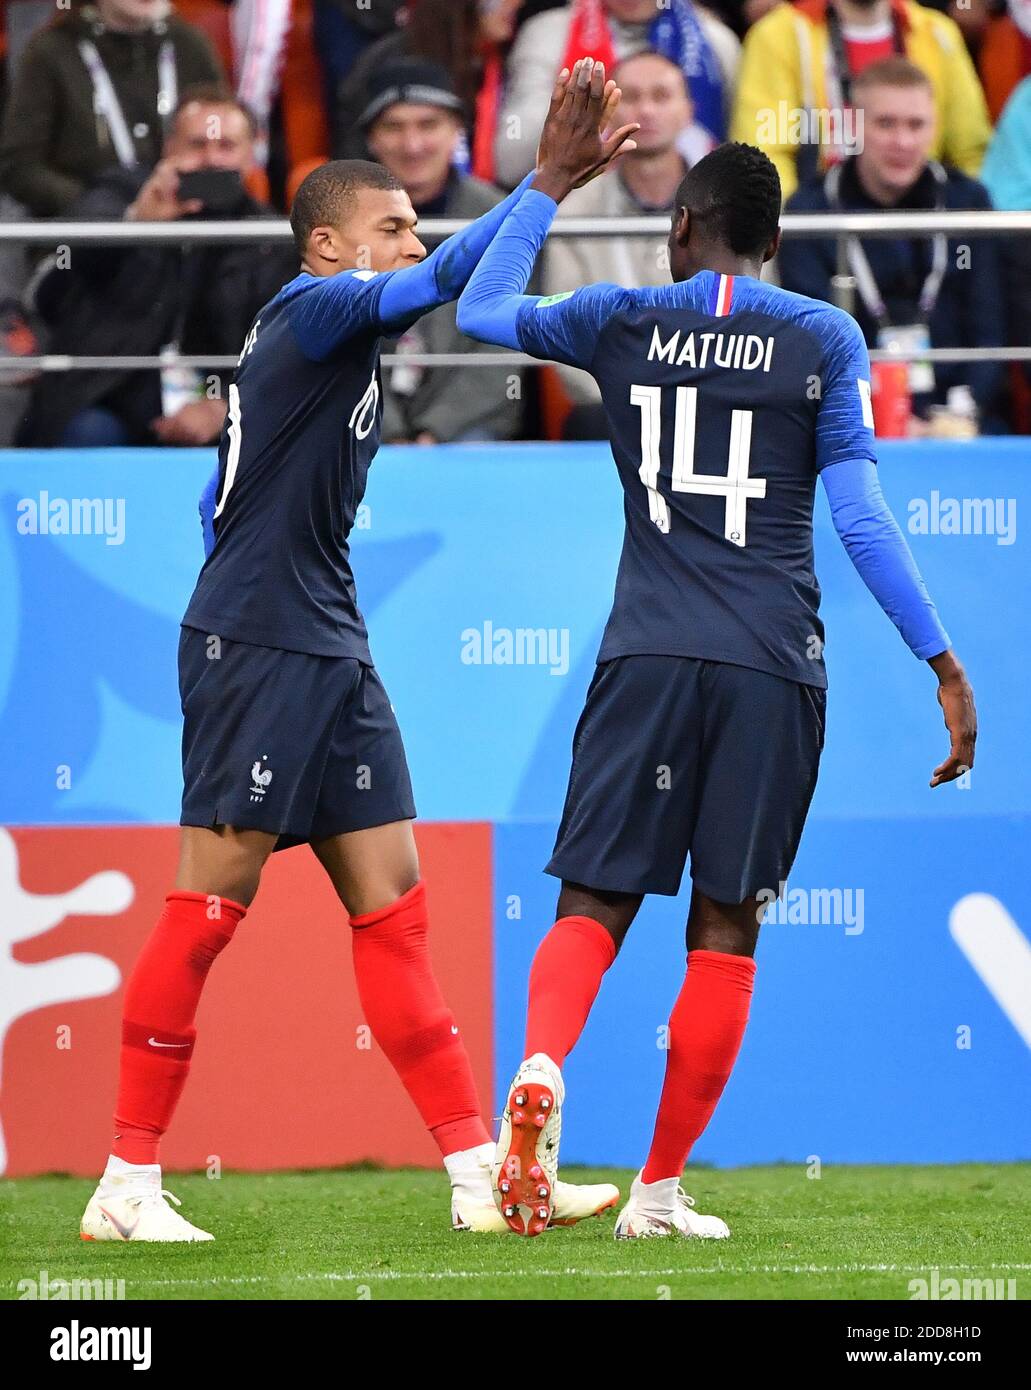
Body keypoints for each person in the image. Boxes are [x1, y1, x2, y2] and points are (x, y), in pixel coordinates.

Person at [77, 58, 639, 1244]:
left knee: (392, 910)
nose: (408, 240)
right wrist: (538, 185)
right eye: (386, 227)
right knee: (209, 907)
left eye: (412, 224)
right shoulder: (312, 311)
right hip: (261, 643)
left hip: (327, 644)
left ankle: (475, 1175)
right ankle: (126, 1183)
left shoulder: (324, 345)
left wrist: (538, 194)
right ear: (326, 248)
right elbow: (438, 281)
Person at [457, 110, 977, 1237]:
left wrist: (544, 185)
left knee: (593, 900)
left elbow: (481, 307)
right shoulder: (823, 338)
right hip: (766, 664)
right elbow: (859, 516)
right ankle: (656, 1190)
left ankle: (542, 1063)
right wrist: (936, 656)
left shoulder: (619, 316)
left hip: (642, 652)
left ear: (683, 226)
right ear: (771, 242)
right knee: (726, 922)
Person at [19, 86, 295, 448]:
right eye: (197, 145)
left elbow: (282, 350)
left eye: (226, 146)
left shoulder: (271, 239)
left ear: (251, 156)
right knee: (87, 432)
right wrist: (136, 223)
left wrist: (227, 405)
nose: (211, 160)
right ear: (169, 148)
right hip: (110, 401)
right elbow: (56, 281)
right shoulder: (119, 193)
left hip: (222, 414)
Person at [778, 57, 1008, 433]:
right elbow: (812, 346)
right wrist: (879, 415)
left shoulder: (968, 202)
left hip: (959, 416)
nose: (903, 141)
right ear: (853, 125)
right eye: (886, 124)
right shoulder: (809, 210)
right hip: (850, 416)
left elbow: (990, 338)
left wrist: (958, 413)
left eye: (916, 125)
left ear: (935, 126)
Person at [543, 48, 714, 436]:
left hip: (713, 401)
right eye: (633, 97)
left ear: (688, 110)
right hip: (612, 407)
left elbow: (759, 314)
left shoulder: (729, 208)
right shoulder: (573, 211)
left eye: (661, 96)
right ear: (612, 111)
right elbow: (564, 332)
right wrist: (636, 397)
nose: (647, 111)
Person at [362, 62, 522, 444]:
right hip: (366, 422)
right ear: (371, 139)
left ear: (457, 131)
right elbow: (338, 340)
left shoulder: (500, 215)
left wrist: (435, 431)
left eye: (428, 124)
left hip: (471, 422)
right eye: (394, 127)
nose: (412, 145)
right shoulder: (344, 219)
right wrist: (393, 432)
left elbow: (504, 343)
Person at [731, 0, 992, 202]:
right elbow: (765, 157)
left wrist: (953, 228)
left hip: (924, 223)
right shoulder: (777, 36)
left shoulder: (938, 33)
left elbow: (972, 154)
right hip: (816, 227)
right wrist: (803, 234)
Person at [0, 0, 224, 217]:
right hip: (85, 240)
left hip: (186, 232)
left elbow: (227, 142)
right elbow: (18, 166)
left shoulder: (190, 45)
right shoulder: (51, 52)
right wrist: (108, 210)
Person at [494, 0, 740, 188]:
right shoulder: (547, 34)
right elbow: (510, 164)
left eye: (660, 96)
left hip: (694, 212)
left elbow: (739, 158)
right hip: (577, 211)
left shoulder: (716, 42)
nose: (646, 110)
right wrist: (577, 117)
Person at [333, 0, 525, 185]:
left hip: (469, 200)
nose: (517, 3)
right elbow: (353, 150)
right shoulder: (389, 61)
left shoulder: (499, 61)